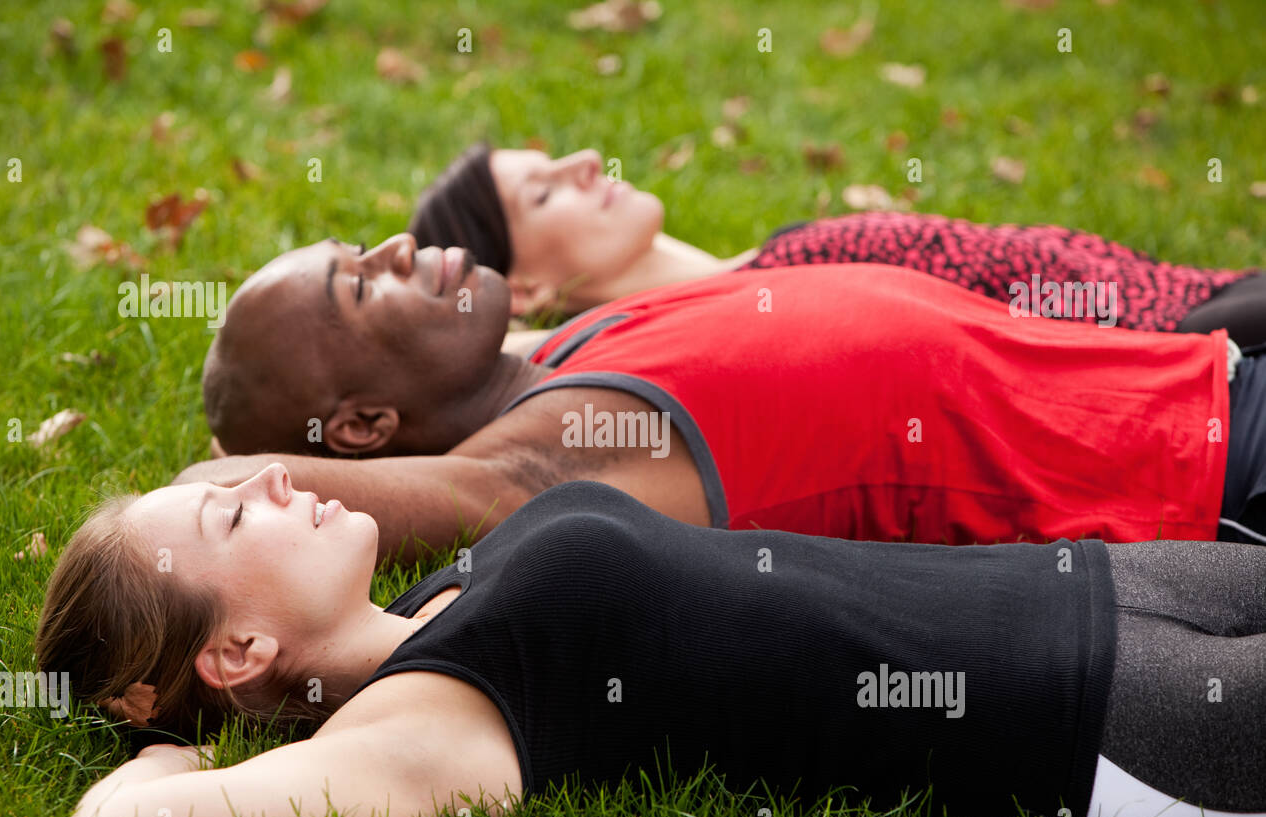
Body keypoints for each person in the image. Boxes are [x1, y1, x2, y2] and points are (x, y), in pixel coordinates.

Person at [41, 468, 1266, 817]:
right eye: (227, 521)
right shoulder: (428, 722)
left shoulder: (430, 609)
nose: (264, 480)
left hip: (1104, 584)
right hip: (1100, 721)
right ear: (239, 650)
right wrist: (160, 748)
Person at [187, 233, 1266, 564]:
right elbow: (221, 481)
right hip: (1214, 477)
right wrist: (209, 499)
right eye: (360, 282)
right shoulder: (556, 450)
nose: (394, 243)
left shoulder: (565, 347)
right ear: (367, 426)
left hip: (1211, 378)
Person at [408, 142, 1265, 343]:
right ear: (519, 289)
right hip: (1188, 350)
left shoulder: (763, 266)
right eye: (544, 190)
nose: (587, 160)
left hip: (1201, 291)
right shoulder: (727, 319)